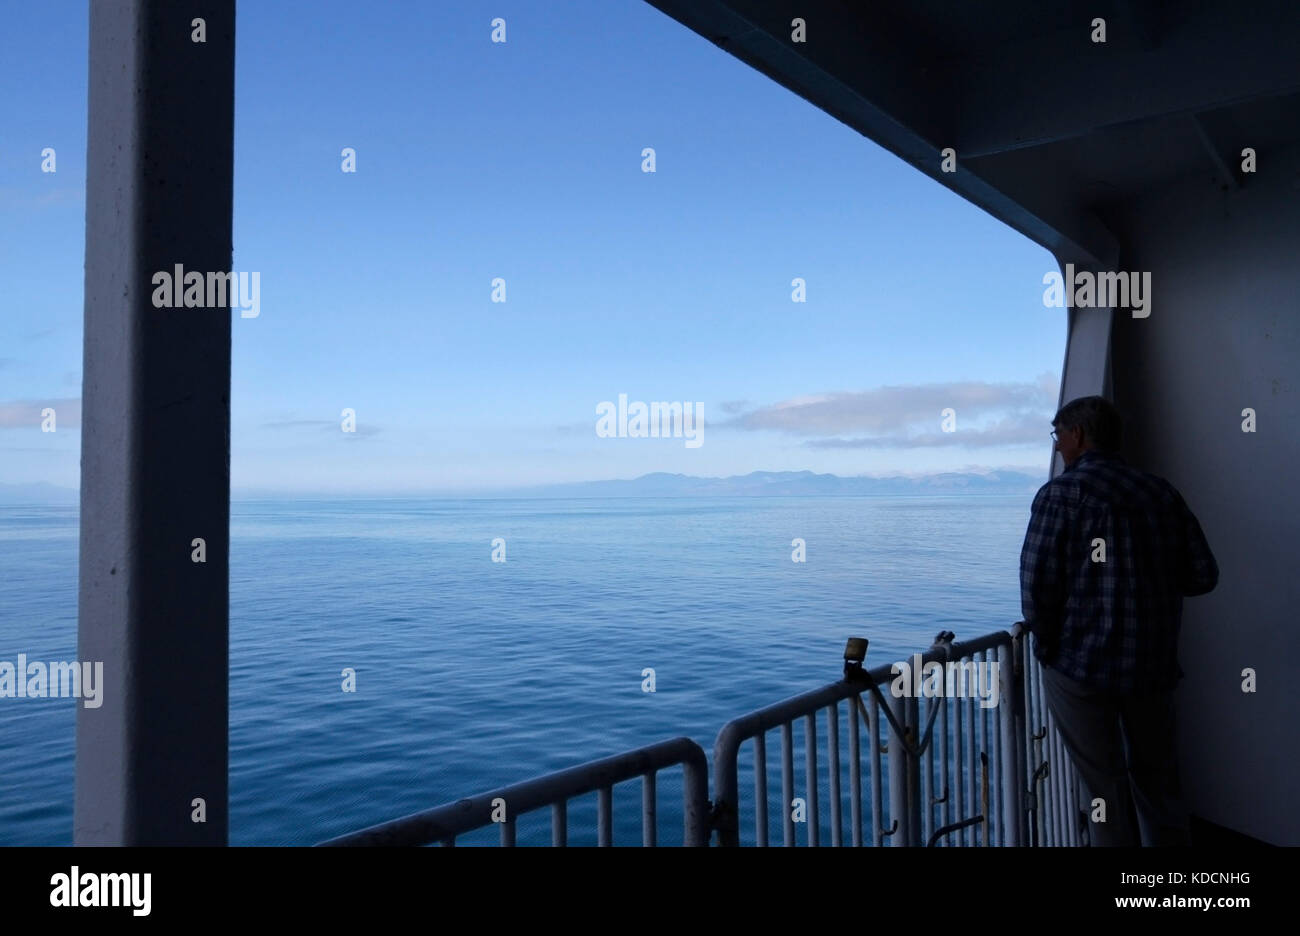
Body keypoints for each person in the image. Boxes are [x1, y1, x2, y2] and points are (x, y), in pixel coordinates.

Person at [1019, 395, 1218, 846]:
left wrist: (1048, 646)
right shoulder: (1159, 492)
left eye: (1058, 436)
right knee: (1159, 782)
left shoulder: (1060, 495)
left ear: (1078, 435)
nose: (1057, 446)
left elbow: (1036, 585)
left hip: (1081, 667)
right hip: (1152, 667)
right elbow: (1203, 575)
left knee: (1103, 790)